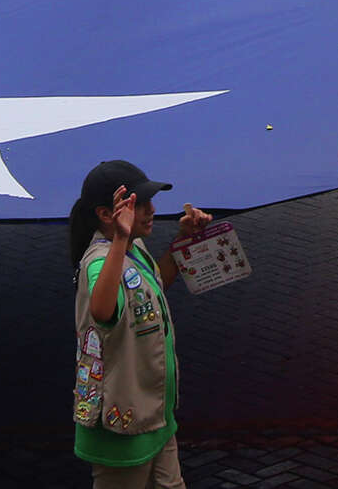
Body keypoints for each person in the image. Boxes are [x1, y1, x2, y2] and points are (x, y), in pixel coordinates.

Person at [69, 160, 212, 489]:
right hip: (121, 425)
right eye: (139, 204)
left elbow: (154, 285)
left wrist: (184, 239)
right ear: (107, 215)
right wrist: (121, 239)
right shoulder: (99, 262)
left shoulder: (136, 249)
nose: (151, 210)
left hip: (155, 415)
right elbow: (102, 310)